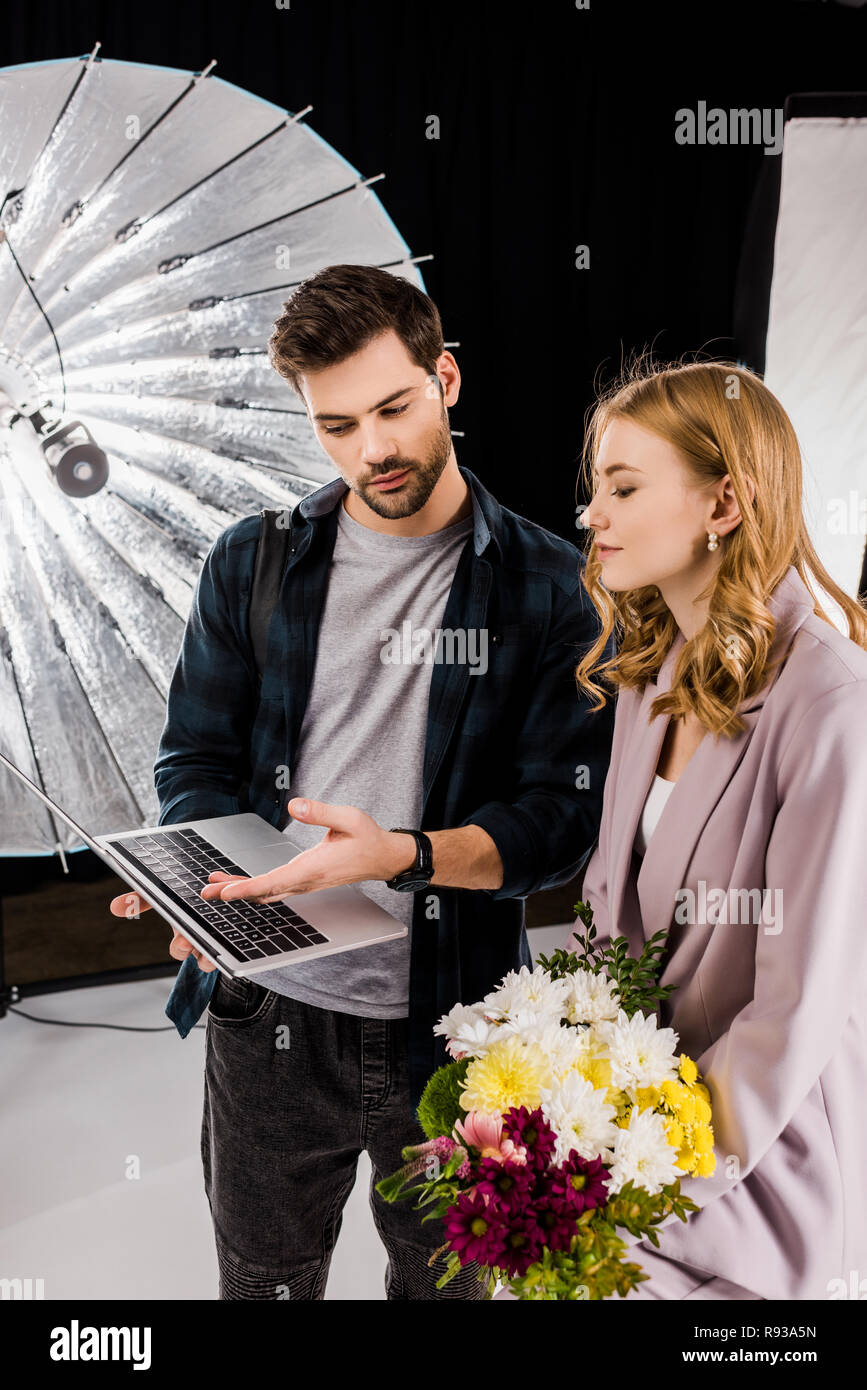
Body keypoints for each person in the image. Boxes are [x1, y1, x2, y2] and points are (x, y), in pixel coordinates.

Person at [110, 263, 615, 1300]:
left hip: (456, 1020)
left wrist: (408, 857)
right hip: (267, 1018)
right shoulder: (252, 563)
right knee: (265, 1281)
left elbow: (561, 821)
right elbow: (195, 759)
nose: (373, 450)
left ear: (448, 379)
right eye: (336, 425)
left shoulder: (552, 587)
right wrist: (204, 887)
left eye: (393, 407)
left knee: (445, 1289)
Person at [567, 356, 867, 1300]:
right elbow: (601, 917)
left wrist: (641, 1176)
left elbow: (794, 1010)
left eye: (622, 487)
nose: (591, 516)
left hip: (746, 1162)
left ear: (722, 504)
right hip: (621, 1139)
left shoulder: (829, 704)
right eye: (593, 490)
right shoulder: (647, 675)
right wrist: (555, 1100)